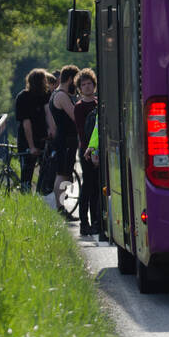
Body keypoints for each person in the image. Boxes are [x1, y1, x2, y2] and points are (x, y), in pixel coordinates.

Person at [46, 64, 80, 219]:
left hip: (64, 139)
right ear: (71, 79)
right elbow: (75, 116)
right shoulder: (61, 96)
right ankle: (60, 208)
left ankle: (60, 207)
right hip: (66, 140)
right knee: (62, 174)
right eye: (77, 81)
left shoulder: (56, 94)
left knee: (64, 173)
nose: (77, 85)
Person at [73, 68, 100, 236]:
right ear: (79, 88)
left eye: (89, 83)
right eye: (83, 84)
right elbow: (82, 131)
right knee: (87, 187)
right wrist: (89, 152)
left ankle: (97, 221)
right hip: (86, 151)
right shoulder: (79, 107)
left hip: (98, 149)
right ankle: (84, 223)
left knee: (97, 188)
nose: (87, 87)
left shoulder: (98, 103)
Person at [13, 69, 51, 191]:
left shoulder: (23, 97)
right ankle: (37, 194)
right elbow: (27, 123)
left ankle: (33, 194)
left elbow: (46, 113)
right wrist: (32, 146)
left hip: (32, 139)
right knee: (31, 170)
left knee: (30, 171)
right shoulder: (26, 97)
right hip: (31, 139)